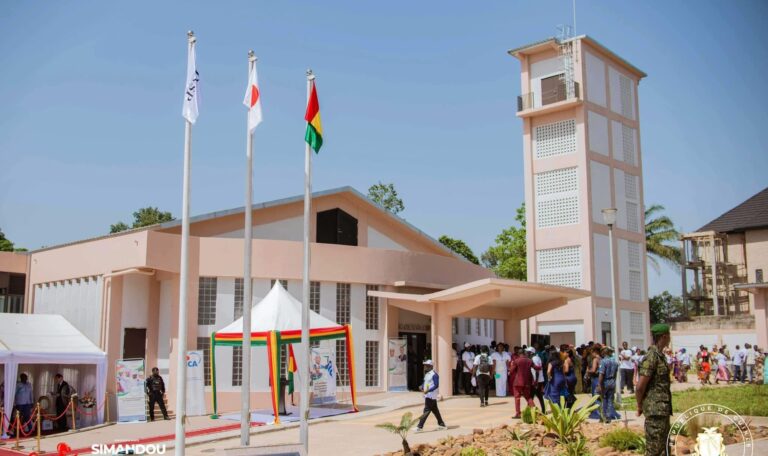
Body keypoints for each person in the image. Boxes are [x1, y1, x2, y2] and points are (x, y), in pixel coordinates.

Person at [636, 324, 673, 456]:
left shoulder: (660, 356)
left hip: (662, 409)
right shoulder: (651, 357)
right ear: (664, 336)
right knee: (654, 450)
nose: (670, 338)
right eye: (669, 335)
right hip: (655, 410)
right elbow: (640, 386)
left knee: (663, 449)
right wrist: (639, 405)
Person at [415, 360, 447, 432]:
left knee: (426, 410)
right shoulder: (427, 374)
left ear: (430, 366)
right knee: (435, 411)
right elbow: (425, 382)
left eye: (426, 365)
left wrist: (428, 390)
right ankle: (441, 424)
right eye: (425, 365)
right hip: (428, 395)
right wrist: (422, 386)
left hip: (431, 395)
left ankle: (419, 427)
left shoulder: (434, 375)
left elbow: (436, 385)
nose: (424, 366)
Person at [597, 346, 621, 422]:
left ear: (604, 353)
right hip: (612, 382)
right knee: (610, 400)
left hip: (605, 382)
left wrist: (600, 386)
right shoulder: (615, 362)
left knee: (603, 399)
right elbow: (615, 375)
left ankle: (604, 416)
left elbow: (601, 375)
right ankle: (610, 416)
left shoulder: (603, 362)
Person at [509, 347, 535, 418]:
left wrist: (511, 367)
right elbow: (536, 368)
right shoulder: (529, 361)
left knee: (517, 397)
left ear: (518, 354)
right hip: (527, 382)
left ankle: (518, 413)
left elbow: (511, 371)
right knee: (528, 397)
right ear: (524, 353)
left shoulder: (516, 361)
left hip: (518, 382)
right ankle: (534, 410)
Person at [530, 347, 546, 413]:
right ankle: (543, 410)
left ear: (531, 353)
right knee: (537, 396)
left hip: (537, 380)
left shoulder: (534, 359)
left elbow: (537, 370)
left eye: (527, 352)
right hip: (538, 380)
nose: (526, 353)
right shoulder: (537, 357)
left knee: (531, 396)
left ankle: (530, 411)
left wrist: (535, 381)